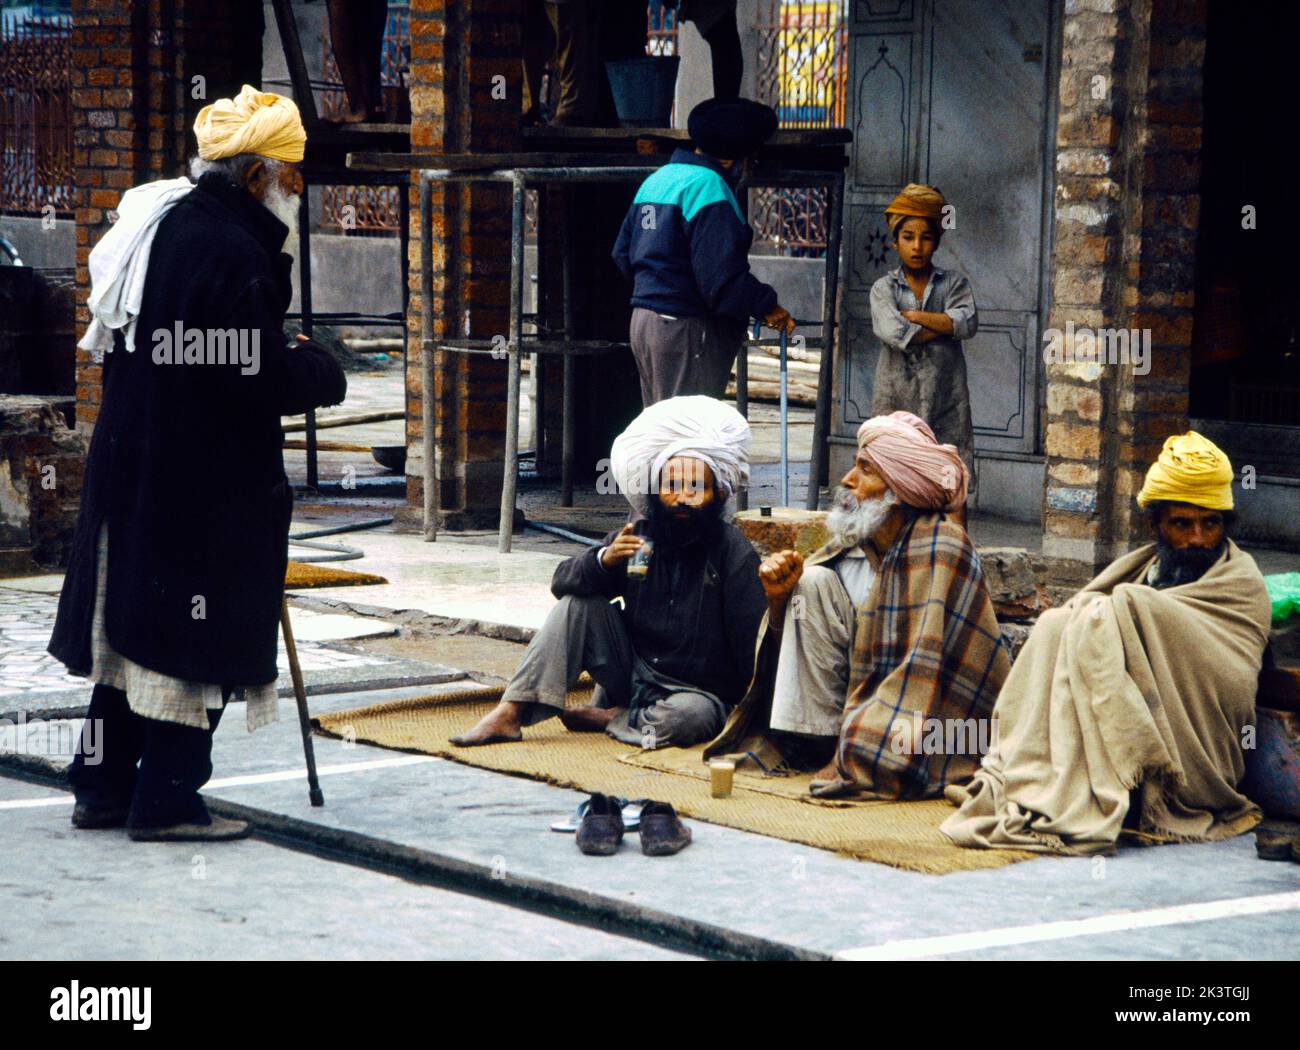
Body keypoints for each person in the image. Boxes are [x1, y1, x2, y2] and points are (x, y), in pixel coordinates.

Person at [49, 86, 348, 841]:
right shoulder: (232, 248)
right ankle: (169, 803)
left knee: (130, 637)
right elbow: (241, 372)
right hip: (197, 485)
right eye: (293, 173)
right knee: (192, 644)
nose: (299, 188)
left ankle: (100, 787)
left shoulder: (169, 221)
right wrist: (317, 371)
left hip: (138, 464)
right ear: (257, 178)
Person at [942, 432, 1271, 855]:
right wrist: (1114, 616)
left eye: (1211, 524)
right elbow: (1101, 616)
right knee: (1056, 624)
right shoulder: (1141, 571)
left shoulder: (1240, 583)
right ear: (1156, 525)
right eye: (1182, 524)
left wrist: (1130, 612)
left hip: (1199, 761)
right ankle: (1041, 777)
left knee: (1109, 612)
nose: (1196, 539)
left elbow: (1230, 676)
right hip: (1136, 733)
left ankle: (1086, 789)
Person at [704, 411, 1010, 800]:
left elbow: (922, 663)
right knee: (810, 581)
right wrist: (779, 601)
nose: (848, 480)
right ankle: (816, 741)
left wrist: (866, 741)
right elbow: (796, 644)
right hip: (848, 706)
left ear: (899, 488)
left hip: (935, 724)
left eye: (865, 469)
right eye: (854, 465)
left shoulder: (944, 545)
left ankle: (862, 753)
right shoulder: (848, 543)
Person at [452, 396, 765, 751]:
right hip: (632, 673)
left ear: (718, 493)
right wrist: (604, 561)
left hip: (694, 693)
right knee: (577, 605)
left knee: (686, 719)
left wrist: (749, 716)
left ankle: (613, 718)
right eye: (671, 486)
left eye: (695, 488)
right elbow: (562, 582)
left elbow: (752, 648)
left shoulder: (733, 553)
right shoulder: (638, 538)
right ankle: (510, 712)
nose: (681, 498)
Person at [612, 97, 795, 405]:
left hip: (643, 324)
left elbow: (621, 254)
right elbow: (720, 279)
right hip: (683, 328)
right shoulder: (709, 186)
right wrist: (767, 305)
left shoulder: (659, 179)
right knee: (688, 436)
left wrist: (657, 287)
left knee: (662, 432)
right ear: (734, 159)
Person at [869, 183, 978, 516]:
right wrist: (944, 325)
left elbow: (968, 322)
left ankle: (951, 553)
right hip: (895, 398)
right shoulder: (883, 288)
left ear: (937, 241)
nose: (917, 246)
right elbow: (893, 331)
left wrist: (916, 317)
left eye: (926, 237)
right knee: (891, 478)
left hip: (946, 397)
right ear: (895, 241)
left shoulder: (954, 284)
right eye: (908, 237)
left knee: (950, 481)